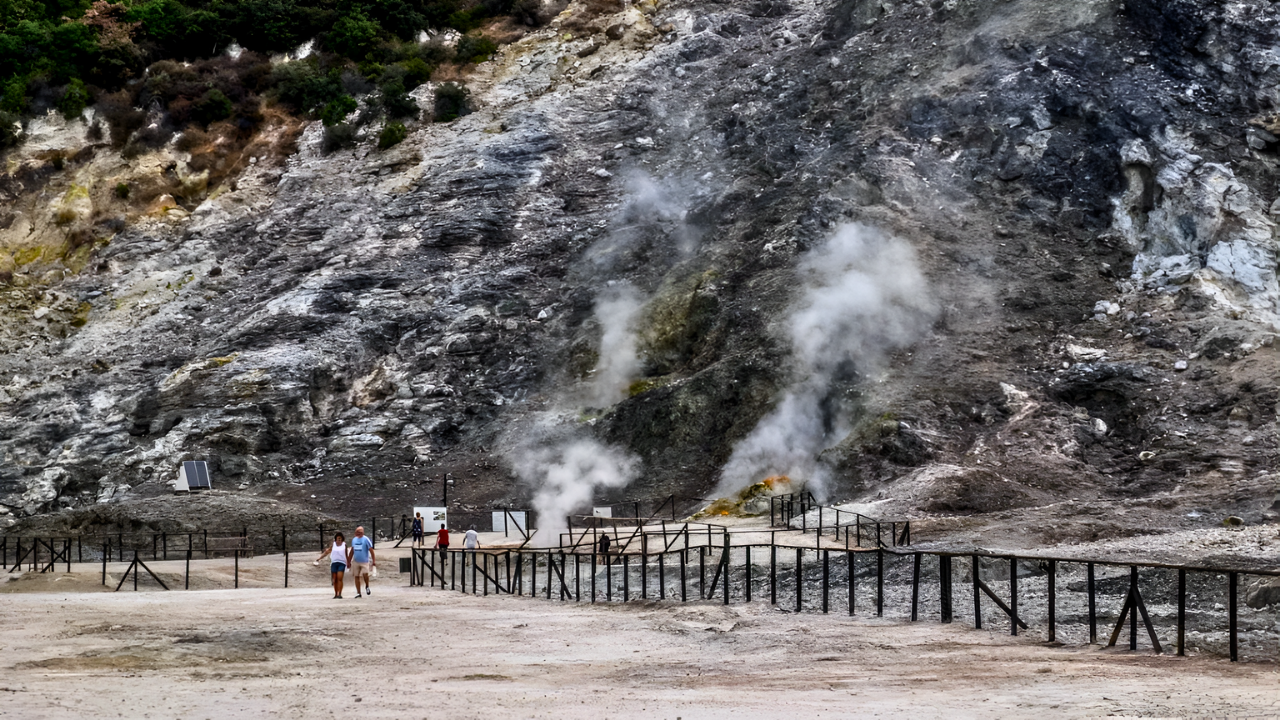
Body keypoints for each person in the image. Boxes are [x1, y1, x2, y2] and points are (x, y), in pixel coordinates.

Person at [315, 532, 347, 599]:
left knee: (339, 578)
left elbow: (347, 554)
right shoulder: (333, 545)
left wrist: (349, 562)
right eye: (338, 539)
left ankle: (340, 593)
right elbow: (327, 552)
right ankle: (336, 593)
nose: (339, 541)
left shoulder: (344, 545)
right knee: (334, 579)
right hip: (334, 563)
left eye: (340, 539)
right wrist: (320, 558)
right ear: (335, 539)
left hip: (342, 562)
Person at [348, 526, 376, 598]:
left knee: (365, 574)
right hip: (356, 561)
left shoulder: (366, 539)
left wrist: (373, 560)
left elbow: (371, 550)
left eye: (360, 532)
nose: (359, 533)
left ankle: (367, 586)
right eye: (357, 532)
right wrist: (348, 561)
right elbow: (352, 550)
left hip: (364, 561)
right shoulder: (354, 540)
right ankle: (358, 592)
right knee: (356, 576)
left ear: (363, 532)